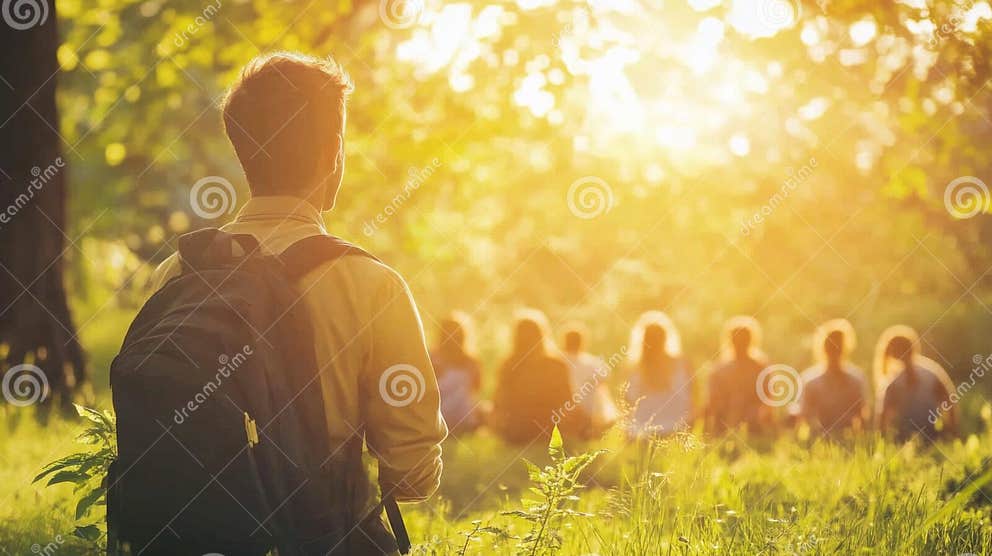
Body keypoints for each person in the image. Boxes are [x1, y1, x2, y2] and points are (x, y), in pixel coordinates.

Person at [145, 53, 447, 553]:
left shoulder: (178, 274)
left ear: (242, 152)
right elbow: (411, 475)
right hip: (320, 536)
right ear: (335, 154)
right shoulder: (371, 285)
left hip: (187, 535)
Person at [491, 309, 590, 444]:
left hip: (516, 432)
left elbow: (499, 400)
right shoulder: (557, 365)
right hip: (551, 430)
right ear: (542, 335)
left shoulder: (507, 365)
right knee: (583, 416)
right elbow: (568, 401)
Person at [875, 325, 958, 441]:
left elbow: (883, 419)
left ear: (892, 353)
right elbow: (950, 402)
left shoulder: (892, 381)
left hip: (903, 440)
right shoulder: (932, 372)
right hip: (933, 436)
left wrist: (882, 444)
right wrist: (951, 432)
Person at [624, 311, 694, 439]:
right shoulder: (682, 363)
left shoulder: (636, 367)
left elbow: (628, 400)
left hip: (642, 430)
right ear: (666, 338)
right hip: (676, 427)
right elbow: (692, 396)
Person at [797, 319, 869, 436]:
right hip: (828, 440)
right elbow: (862, 418)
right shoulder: (856, 378)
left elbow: (804, 417)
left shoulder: (810, 380)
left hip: (837, 439)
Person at [706, 316, 772, 433]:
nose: (740, 343)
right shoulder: (720, 369)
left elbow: (768, 401)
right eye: (737, 339)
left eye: (743, 339)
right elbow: (713, 402)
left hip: (753, 425)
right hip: (727, 424)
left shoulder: (760, 367)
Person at [430, 312, 486, 434]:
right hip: (465, 417)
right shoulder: (471, 361)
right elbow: (477, 388)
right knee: (484, 408)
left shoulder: (432, 358)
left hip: (437, 417)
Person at [561, 323, 618, 436]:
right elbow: (606, 379)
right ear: (583, 343)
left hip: (562, 414)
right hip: (589, 414)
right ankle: (597, 424)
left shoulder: (557, 362)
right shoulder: (593, 363)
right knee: (601, 390)